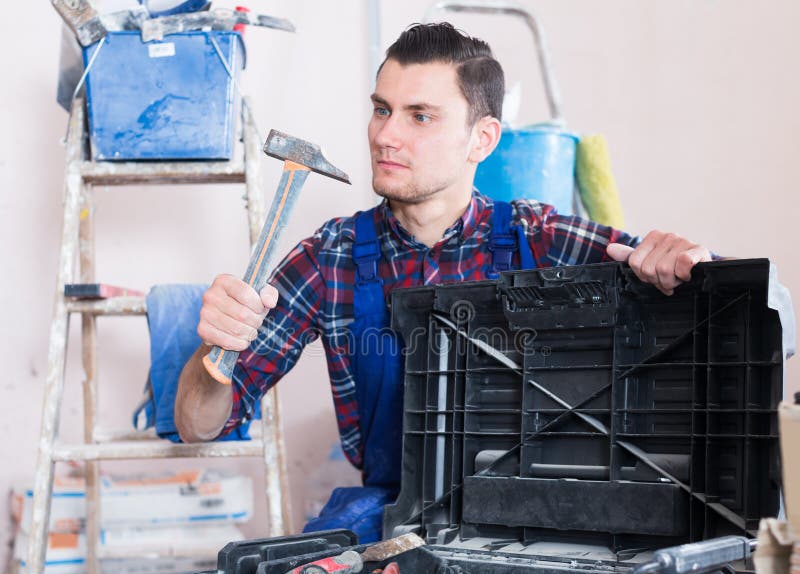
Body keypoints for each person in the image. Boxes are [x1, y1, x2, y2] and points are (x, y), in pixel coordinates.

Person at [174, 22, 713, 542]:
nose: (386, 135)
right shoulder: (331, 258)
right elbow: (199, 425)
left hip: (540, 519)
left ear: (482, 138)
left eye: (420, 116)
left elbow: (718, 295)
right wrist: (216, 349)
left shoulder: (540, 240)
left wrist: (687, 263)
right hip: (396, 520)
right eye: (382, 110)